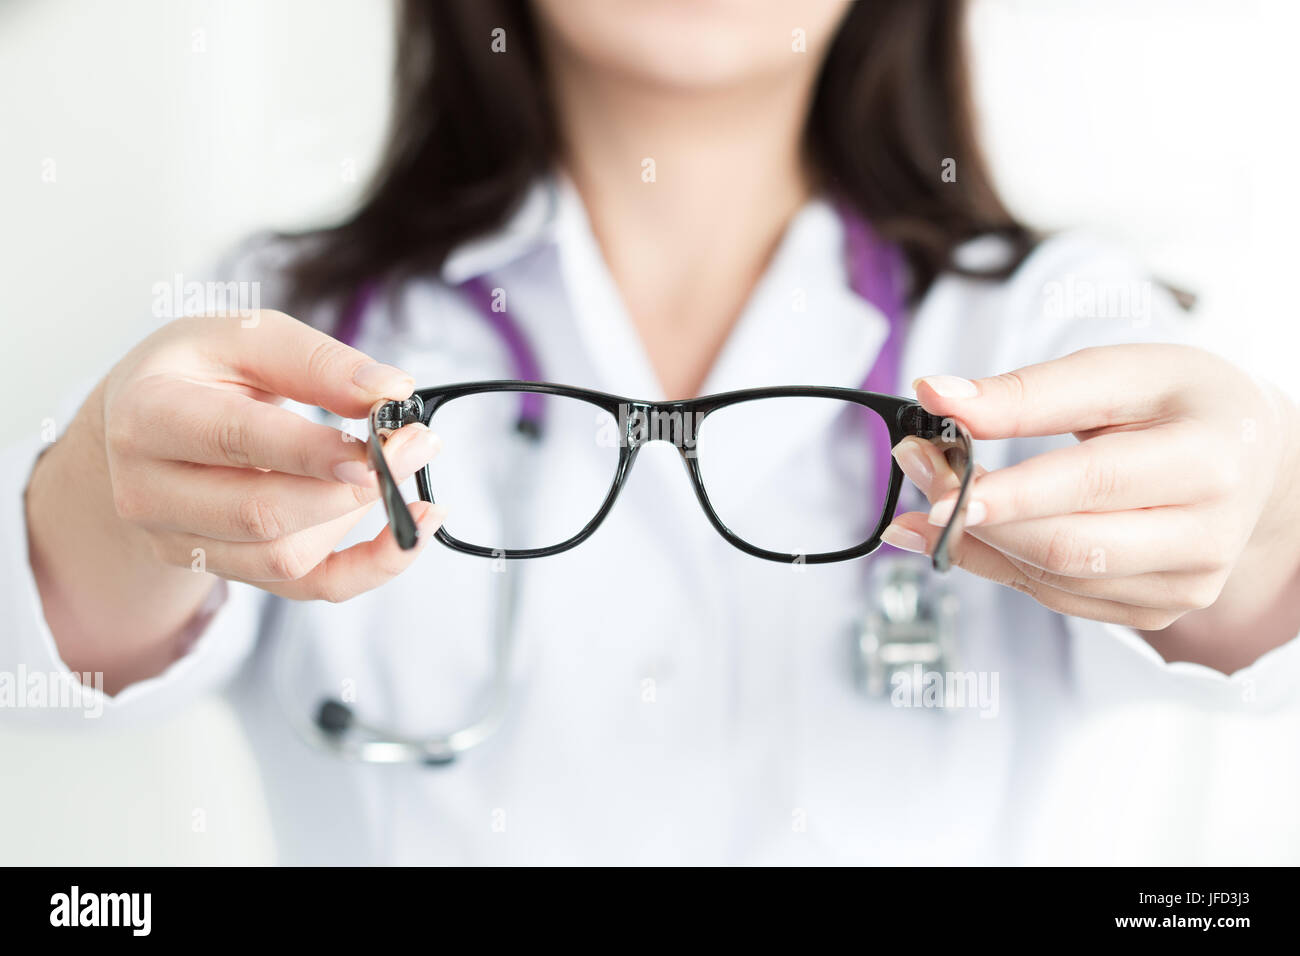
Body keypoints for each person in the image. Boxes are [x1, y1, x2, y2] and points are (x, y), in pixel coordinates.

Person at [10, 0, 1300, 864]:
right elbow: (51, 671)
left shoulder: (1047, 316)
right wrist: (108, 491)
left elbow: (1258, 609)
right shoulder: (295, 320)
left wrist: (1258, 507)